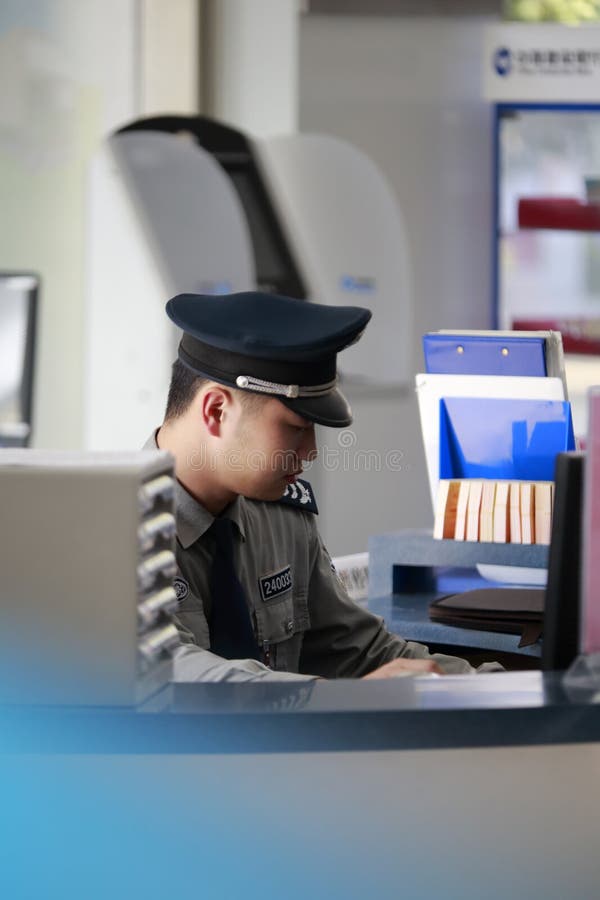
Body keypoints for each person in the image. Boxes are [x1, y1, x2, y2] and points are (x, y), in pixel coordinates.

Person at [150, 290, 501, 681]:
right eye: (295, 427)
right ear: (216, 410)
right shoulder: (118, 534)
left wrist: (491, 688)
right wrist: (335, 700)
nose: (311, 450)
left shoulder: (279, 516)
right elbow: (175, 675)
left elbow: (359, 651)